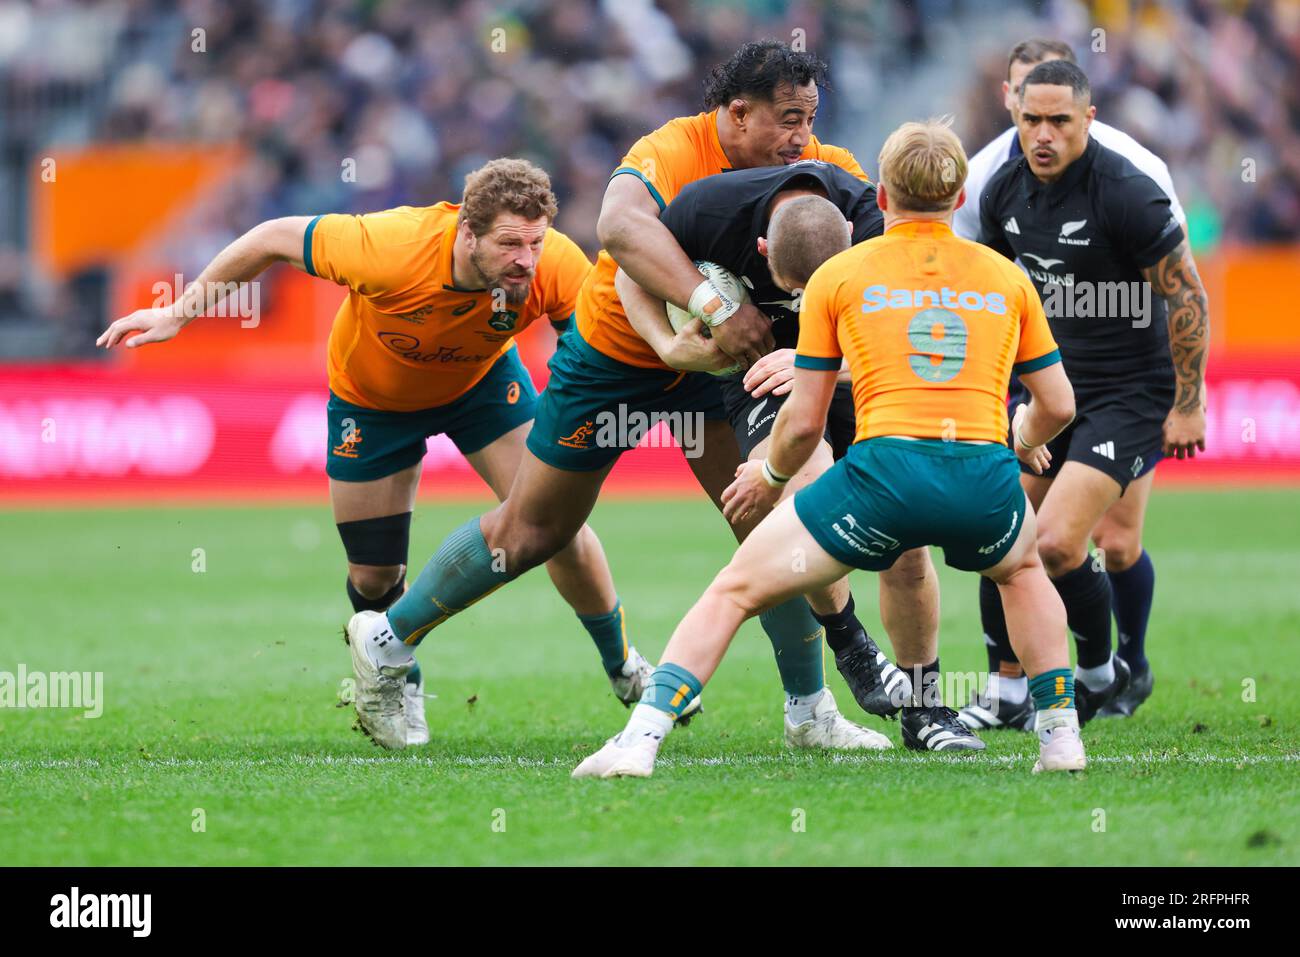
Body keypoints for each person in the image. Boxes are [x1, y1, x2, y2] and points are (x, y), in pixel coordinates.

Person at [347, 41, 902, 754]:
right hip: (619, 355)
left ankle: (809, 709)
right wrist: (702, 311)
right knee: (533, 532)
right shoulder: (674, 149)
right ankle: (387, 638)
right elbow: (619, 228)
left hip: (724, 368)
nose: (803, 137)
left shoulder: (824, 170)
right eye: (788, 120)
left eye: (809, 119)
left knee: (770, 524)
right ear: (736, 113)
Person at [573, 118, 1085, 778]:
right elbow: (1059, 404)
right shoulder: (1005, 277)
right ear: (961, 202)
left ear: (879, 199)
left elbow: (802, 422)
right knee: (1021, 573)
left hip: (884, 477)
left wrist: (769, 473)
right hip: (985, 475)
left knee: (734, 590)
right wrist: (1022, 439)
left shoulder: (842, 275)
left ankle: (639, 740)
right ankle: (1062, 737)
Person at [97, 158, 639, 750]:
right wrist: (180, 313)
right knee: (374, 574)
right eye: (510, 243)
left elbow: (595, 355)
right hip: (372, 403)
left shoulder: (554, 264)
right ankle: (399, 680)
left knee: (553, 522)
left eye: (534, 242)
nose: (525, 260)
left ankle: (624, 666)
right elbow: (271, 237)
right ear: (466, 231)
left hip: (482, 388)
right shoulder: (388, 246)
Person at [617, 159, 971, 746]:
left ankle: (926, 710)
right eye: (795, 293)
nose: (808, 307)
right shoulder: (709, 210)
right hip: (758, 368)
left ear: (855, 245)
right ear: (759, 248)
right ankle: (850, 641)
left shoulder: (880, 225)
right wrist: (667, 345)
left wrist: (821, 364)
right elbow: (630, 266)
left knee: (905, 544)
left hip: (862, 366)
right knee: (804, 501)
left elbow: (923, 336)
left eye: (818, 294)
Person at [961, 59, 1210, 731]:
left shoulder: (1127, 192)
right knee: (999, 532)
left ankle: (1103, 669)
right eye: (1031, 120)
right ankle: (1014, 690)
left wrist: (1188, 402)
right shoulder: (1002, 190)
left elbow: (1186, 294)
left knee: (1065, 544)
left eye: (1059, 122)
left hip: (1129, 394)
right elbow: (992, 296)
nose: (1043, 135)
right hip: (1047, 389)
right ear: (1014, 115)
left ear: (1088, 120)